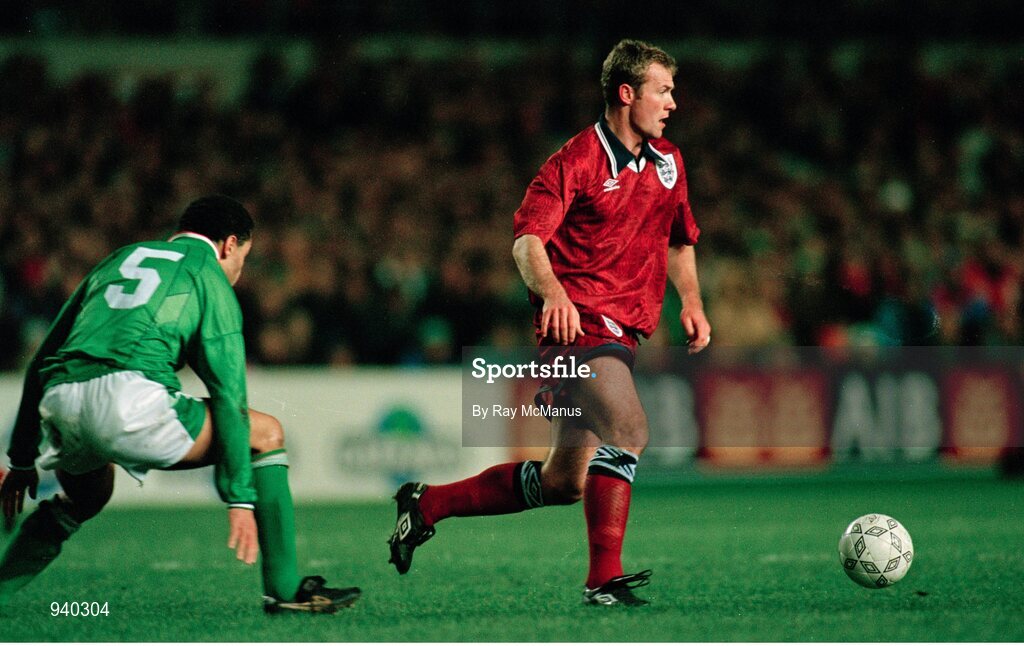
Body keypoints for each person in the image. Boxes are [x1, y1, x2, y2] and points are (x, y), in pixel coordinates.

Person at [387, 39, 711, 606]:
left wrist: (691, 302)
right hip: (579, 329)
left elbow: (680, 240)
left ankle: (428, 503)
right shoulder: (575, 161)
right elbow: (527, 242)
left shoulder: (669, 162)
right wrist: (555, 293)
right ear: (626, 93)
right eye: (663, 91)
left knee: (564, 482)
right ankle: (603, 580)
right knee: (630, 431)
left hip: (623, 331)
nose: (672, 103)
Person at [0, 195, 360, 613]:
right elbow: (229, 397)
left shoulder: (122, 257)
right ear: (229, 245)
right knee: (265, 433)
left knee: (86, 496)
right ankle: (285, 591)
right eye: (243, 258)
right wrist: (239, 497)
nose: (239, 271)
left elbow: (42, 359)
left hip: (62, 397)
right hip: (127, 400)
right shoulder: (209, 276)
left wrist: (21, 459)